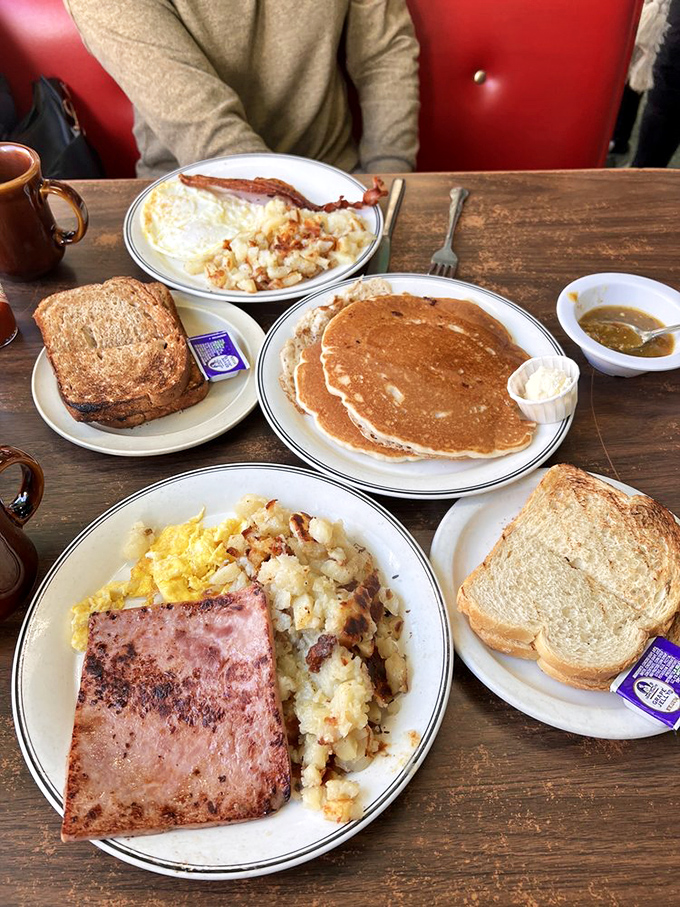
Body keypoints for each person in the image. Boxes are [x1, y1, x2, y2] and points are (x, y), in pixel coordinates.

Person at [63, 0, 420, 178]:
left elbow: (383, 53)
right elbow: (207, 129)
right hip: (193, 198)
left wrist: (389, 177)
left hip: (340, 181)